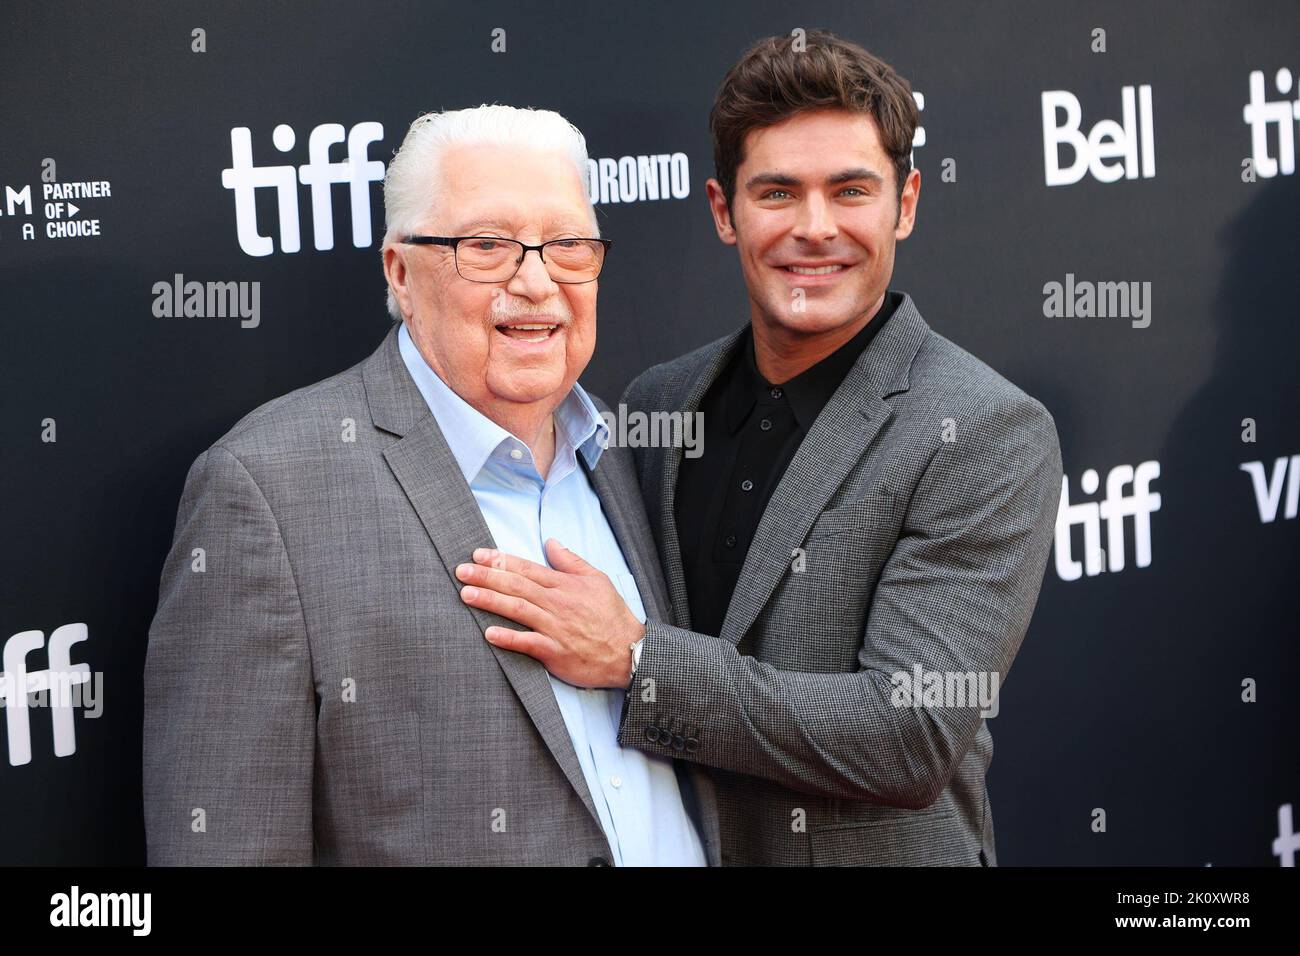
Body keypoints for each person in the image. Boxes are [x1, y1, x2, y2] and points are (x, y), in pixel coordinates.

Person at [455, 32, 1063, 865]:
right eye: (778, 193)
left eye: (851, 191)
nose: (815, 229)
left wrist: (637, 660)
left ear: (907, 203)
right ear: (723, 211)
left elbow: (910, 731)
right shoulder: (660, 403)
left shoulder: (984, 430)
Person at [143, 104, 716, 866]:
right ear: (401, 273)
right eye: (488, 246)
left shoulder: (631, 453)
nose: (538, 282)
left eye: (568, 245)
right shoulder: (267, 492)